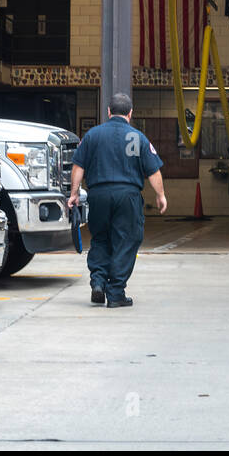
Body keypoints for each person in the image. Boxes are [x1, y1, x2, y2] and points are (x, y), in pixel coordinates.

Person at [67, 92, 167, 308]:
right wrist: (160, 196)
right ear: (130, 113)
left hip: (99, 194)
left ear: (109, 112)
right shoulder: (139, 137)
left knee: (101, 238)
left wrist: (74, 193)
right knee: (127, 240)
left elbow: (78, 166)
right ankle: (115, 293)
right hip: (127, 195)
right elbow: (153, 172)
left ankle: (98, 282)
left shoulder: (92, 135)